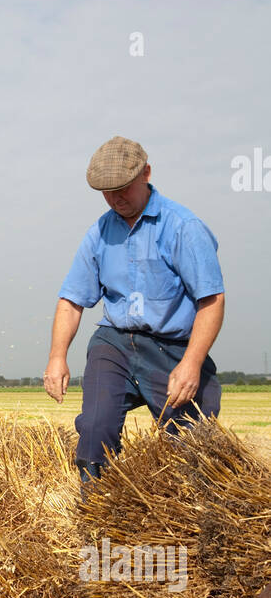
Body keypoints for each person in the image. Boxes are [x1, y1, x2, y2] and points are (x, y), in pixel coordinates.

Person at [43, 137, 225, 485]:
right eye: (106, 192)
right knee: (95, 430)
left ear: (147, 173)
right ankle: (95, 519)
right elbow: (71, 300)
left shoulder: (183, 227)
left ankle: (186, 526)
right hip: (114, 343)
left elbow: (211, 301)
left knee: (192, 448)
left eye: (123, 188)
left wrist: (191, 363)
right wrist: (57, 356)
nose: (115, 199)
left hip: (172, 348)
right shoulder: (99, 232)